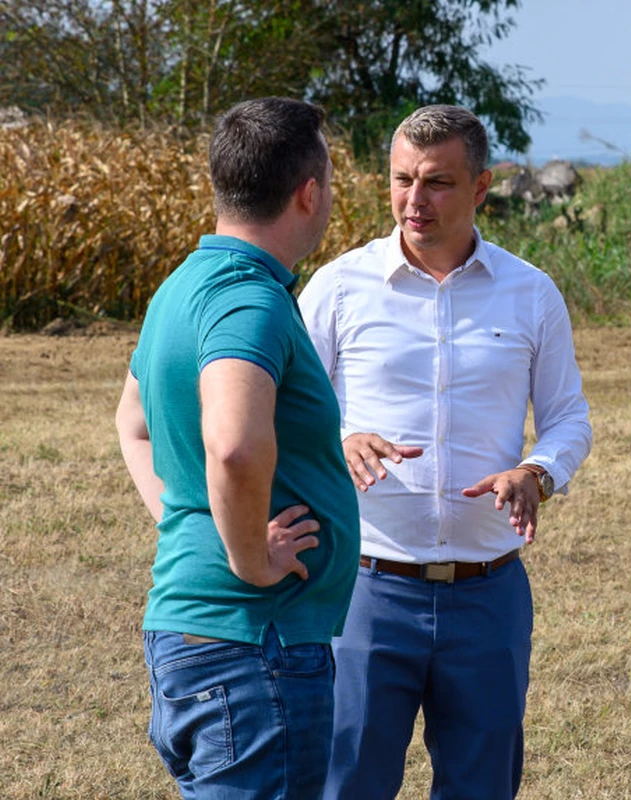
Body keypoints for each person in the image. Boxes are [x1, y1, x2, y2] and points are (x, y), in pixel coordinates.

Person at [298, 104, 593, 799]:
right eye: (402, 180)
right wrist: (339, 439)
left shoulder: (531, 293)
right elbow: (287, 409)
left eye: (437, 182)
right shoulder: (339, 288)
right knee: (348, 784)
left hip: (488, 593)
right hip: (366, 589)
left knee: (482, 786)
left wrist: (536, 473)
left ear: (482, 187)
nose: (414, 200)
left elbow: (567, 418)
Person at [114, 97, 360, 799]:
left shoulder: (180, 287)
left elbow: (133, 422)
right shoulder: (246, 299)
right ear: (308, 192)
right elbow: (234, 446)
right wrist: (251, 558)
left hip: (199, 638)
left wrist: (186, 519)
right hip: (255, 649)